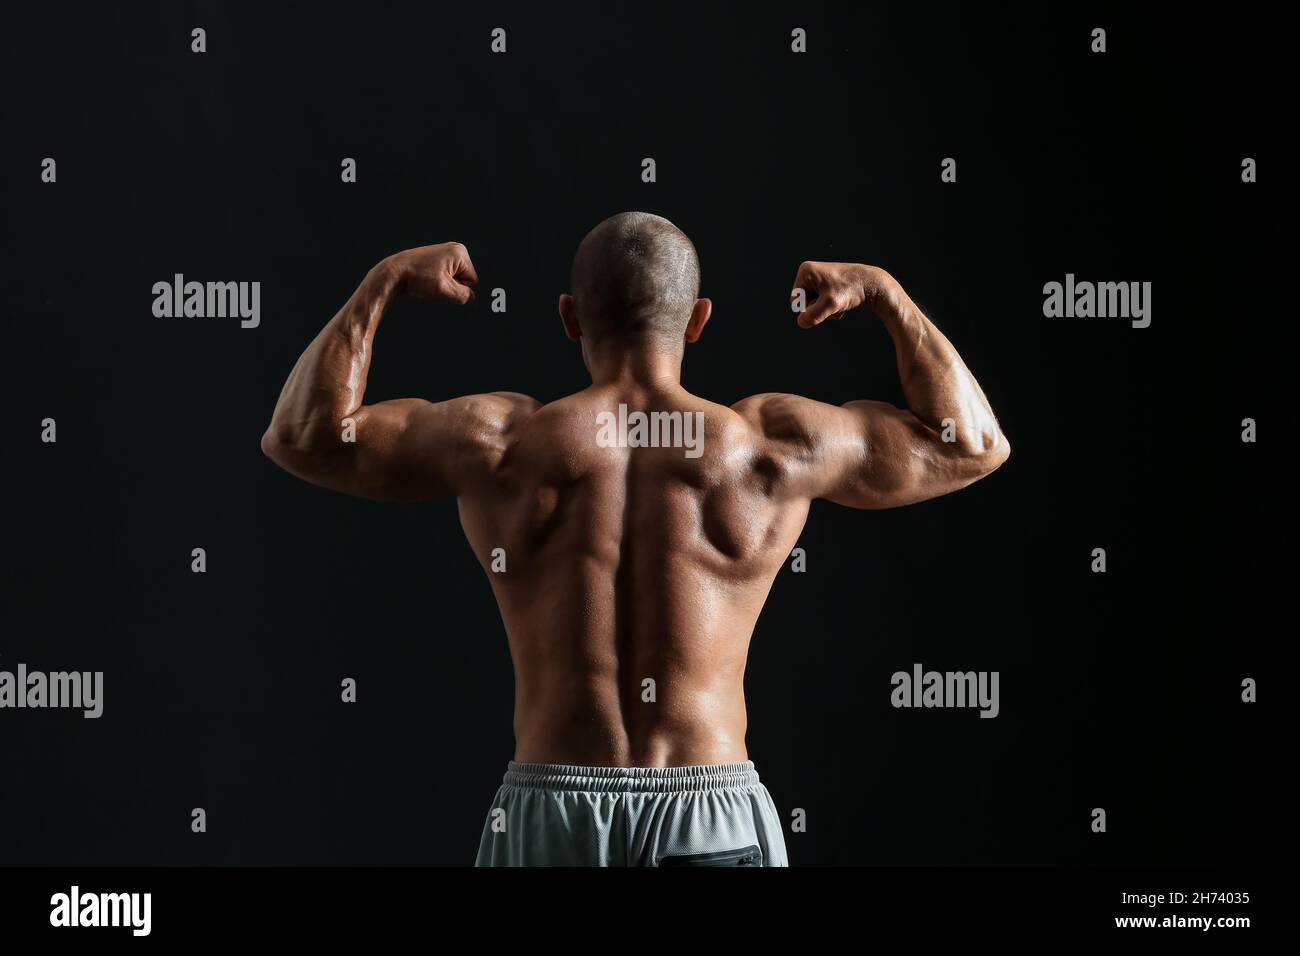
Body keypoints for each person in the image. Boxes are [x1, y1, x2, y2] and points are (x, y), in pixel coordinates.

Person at [261, 211, 1010, 866]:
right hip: (710, 812)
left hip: (551, 813)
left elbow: (304, 436)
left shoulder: (498, 442)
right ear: (697, 320)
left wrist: (383, 282)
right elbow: (970, 445)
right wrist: (884, 293)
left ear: (569, 318)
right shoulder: (765, 448)